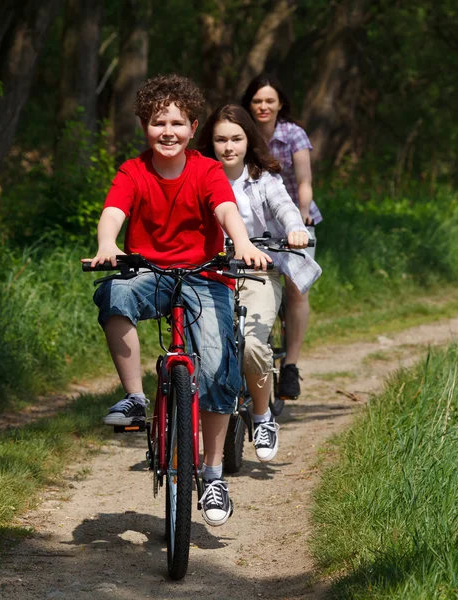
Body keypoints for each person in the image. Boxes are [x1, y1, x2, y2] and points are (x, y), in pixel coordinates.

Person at [83, 75, 271, 526]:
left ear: (192, 127)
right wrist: (109, 243)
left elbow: (225, 208)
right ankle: (133, 399)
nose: (167, 131)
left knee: (217, 364)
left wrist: (241, 243)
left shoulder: (205, 170)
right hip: (148, 270)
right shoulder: (133, 171)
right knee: (114, 293)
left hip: (205, 276)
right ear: (144, 126)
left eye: (176, 123)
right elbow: (114, 211)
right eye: (156, 122)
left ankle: (212, 473)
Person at [198, 104, 321, 462]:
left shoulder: (264, 179)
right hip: (208, 272)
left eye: (236, 138)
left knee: (252, 344)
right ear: (211, 142)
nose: (228, 146)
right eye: (220, 139)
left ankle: (263, 415)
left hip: (258, 272)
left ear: (248, 140)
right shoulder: (199, 174)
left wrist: (296, 228)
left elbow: (284, 207)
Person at [241, 73, 323, 400]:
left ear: (280, 104)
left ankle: (290, 365)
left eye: (269, 101)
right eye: (257, 101)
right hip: (256, 219)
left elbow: (304, 181)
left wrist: (301, 217)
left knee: (296, 288)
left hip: (292, 222)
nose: (263, 107)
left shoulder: (294, 135)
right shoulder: (242, 134)